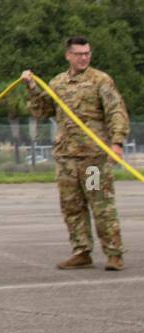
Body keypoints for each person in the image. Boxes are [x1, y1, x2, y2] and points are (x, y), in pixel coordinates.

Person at [23, 36, 128, 271]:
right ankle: (81, 251)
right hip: (66, 157)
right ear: (68, 55)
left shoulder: (100, 80)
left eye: (87, 53)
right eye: (79, 54)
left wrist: (117, 142)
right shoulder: (58, 82)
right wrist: (31, 87)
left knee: (101, 206)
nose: (84, 58)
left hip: (92, 158)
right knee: (72, 207)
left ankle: (114, 253)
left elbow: (116, 111)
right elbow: (43, 111)